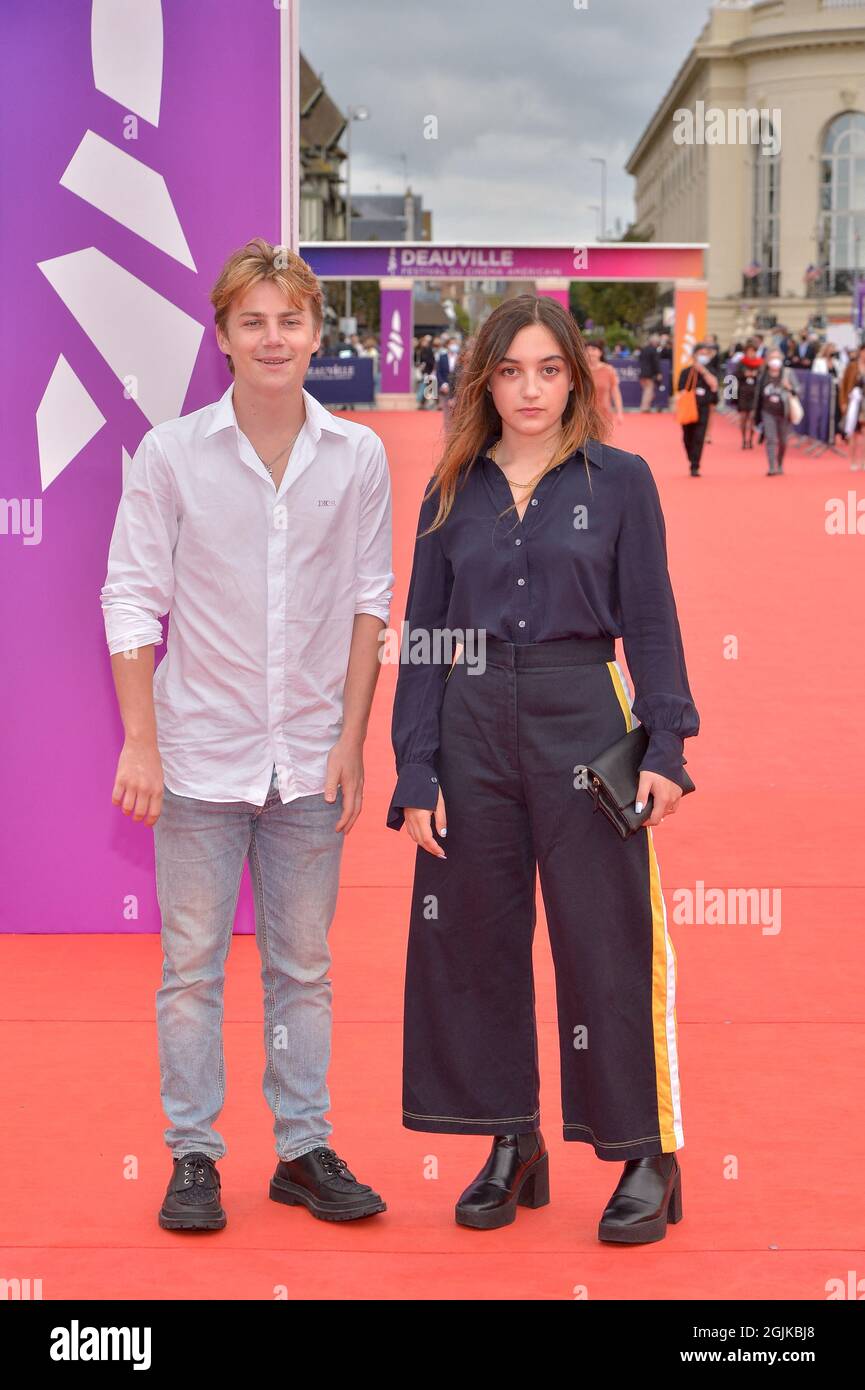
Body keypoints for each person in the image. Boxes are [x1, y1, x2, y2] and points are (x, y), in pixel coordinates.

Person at [386, 293, 699, 1243]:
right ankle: (508, 1141)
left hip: (580, 716)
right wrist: (415, 769)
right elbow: (428, 637)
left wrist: (667, 745)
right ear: (484, 379)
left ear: (576, 377)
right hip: (471, 718)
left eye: (548, 370)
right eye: (511, 370)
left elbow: (649, 617)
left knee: (601, 937)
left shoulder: (621, 481)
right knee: (472, 942)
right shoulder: (452, 486)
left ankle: (644, 1153)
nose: (529, 389)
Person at [100, 237, 395, 1230]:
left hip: (310, 757)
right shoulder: (170, 453)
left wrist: (353, 742)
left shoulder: (357, 456)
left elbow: (368, 605)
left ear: (316, 332)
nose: (274, 338)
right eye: (252, 321)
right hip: (195, 754)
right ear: (221, 335)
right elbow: (131, 599)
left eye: (291, 320)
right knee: (189, 964)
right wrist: (140, 742)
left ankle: (302, 1146)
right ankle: (193, 1154)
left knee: (302, 965)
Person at [751, 348, 801, 475]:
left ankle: (779, 463)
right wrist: (755, 412)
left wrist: (789, 387)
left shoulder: (788, 373)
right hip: (767, 411)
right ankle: (772, 466)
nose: (775, 361)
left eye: (777, 358)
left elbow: (798, 390)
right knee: (771, 438)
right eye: (772, 358)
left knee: (783, 440)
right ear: (767, 360)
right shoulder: (763, 375)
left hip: (784, 412)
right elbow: (758, 394)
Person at [676, 342, 718, 476]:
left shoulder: (711, 370)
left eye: (706, 354)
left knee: (699, 437)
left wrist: (703, 371)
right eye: (701, 354)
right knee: (687, 438)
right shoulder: (686, 372)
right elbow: (680, 389)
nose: (704, 356)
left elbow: (714, 385)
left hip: (703, 408)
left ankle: (695, 465)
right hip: (689, 409)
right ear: (694, 355)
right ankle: (691, 457)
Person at [732, 339, 764, 449]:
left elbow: (762, 376)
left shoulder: (760, 363)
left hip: (754, 393)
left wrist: (755, 374)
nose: (751, 353)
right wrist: (744, 374)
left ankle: (750, 439)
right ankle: (743, 439)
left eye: (753, 351)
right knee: (743, 417)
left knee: (752, 417)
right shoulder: (741, 362)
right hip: (743, 392)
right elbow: (734, 376)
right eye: (749, 351)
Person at [838, 343, 865, 469]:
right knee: (853, 433)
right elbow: (843, 385)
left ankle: (863, 461)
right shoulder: (852, 366)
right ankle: (853, 461)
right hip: (854, 403)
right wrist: (843, 402)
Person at [586, 339, 624, 427]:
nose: (590, 353)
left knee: (602, 440)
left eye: (593, 349)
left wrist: (619, 412)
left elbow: (616, 393)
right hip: (583, 416)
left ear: (600, 352)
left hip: (604, 416)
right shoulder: (581, 370)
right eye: (587, 350)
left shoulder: (608, 370)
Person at [638, 333, 662, 411]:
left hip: (642, 373)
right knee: (648, 390)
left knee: (647, 391)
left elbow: (640, 359)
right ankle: (644, 407)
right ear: (655, 342)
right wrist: (658, 372)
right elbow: (656, 362)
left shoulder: (644, 349)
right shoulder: (653, 350)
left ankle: (646, 406)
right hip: (649, 374)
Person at [415, 334, 437, 409]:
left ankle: (426, 403)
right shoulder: (418, 351)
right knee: (424, 388)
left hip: (428, 372)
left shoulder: (429, 350)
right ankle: (422, 403)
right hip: (422, 373)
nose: (425, 343)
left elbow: (432, 361)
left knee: (428, 388)